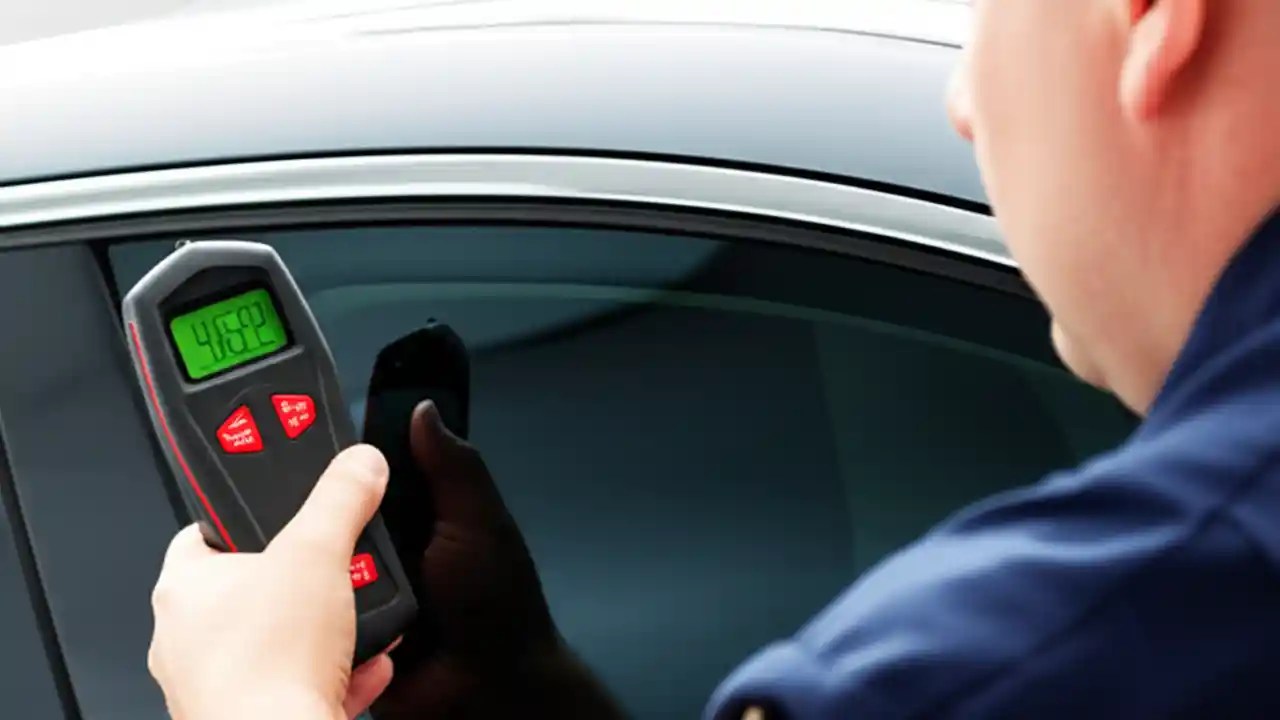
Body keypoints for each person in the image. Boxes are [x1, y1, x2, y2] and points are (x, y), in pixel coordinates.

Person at [146, 0, 1280, 718]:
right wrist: (531, 692)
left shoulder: (1000, 669)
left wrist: (251, 702)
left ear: (1149, 14)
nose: (962, 101)